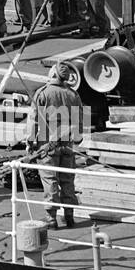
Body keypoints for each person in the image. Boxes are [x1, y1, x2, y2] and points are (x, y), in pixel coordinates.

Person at [31, 75, 84, 228]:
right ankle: (69, 216)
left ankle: (51, 218)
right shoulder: (73, 94)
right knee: (67, 180)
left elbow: (34, 118)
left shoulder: (43, 93)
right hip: (67, 144)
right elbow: (81, 117)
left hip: (48, 145)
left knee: (50, 180)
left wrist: (30, 141)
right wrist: (78, 137)